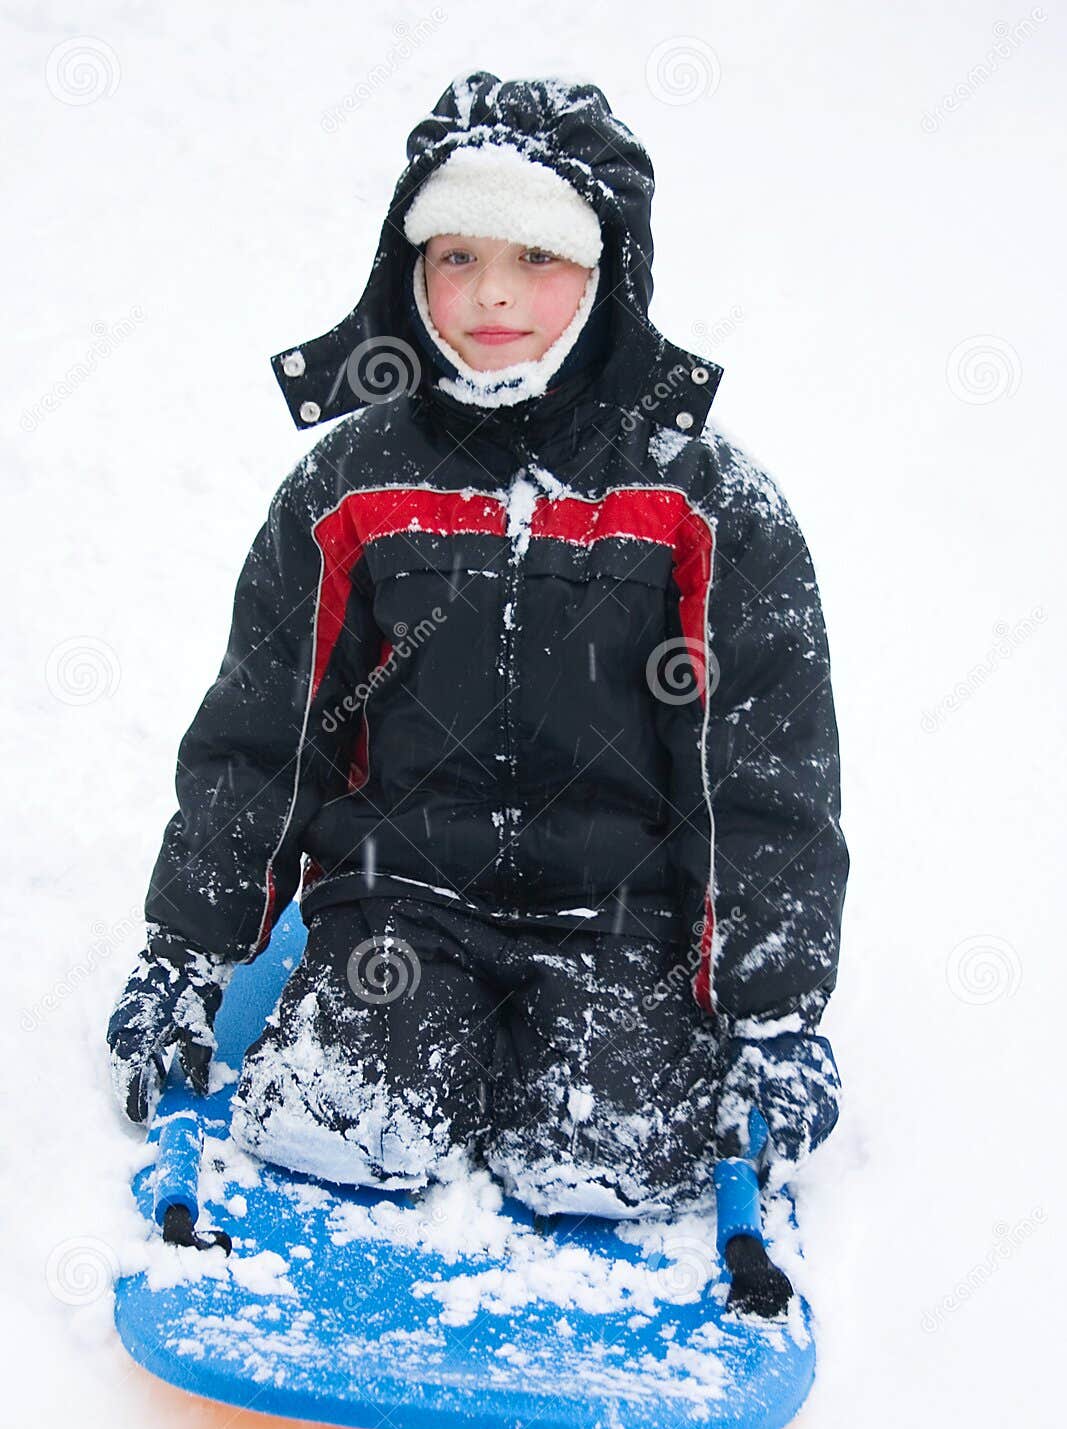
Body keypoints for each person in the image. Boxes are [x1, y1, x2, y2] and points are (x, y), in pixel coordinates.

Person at [106, 71, 849, 1220]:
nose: (490, 296)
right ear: (409, 269)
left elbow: (759, 771)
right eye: (455, 257)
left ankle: (597, 1072)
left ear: (608, 275)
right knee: (340, 1123)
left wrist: (773, 1016)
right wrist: (185, 955)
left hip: (619, 918)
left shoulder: (700, 497)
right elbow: (267, 734)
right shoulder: (353, 483)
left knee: (606, 1161)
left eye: (536, 260)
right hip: (399, 899)